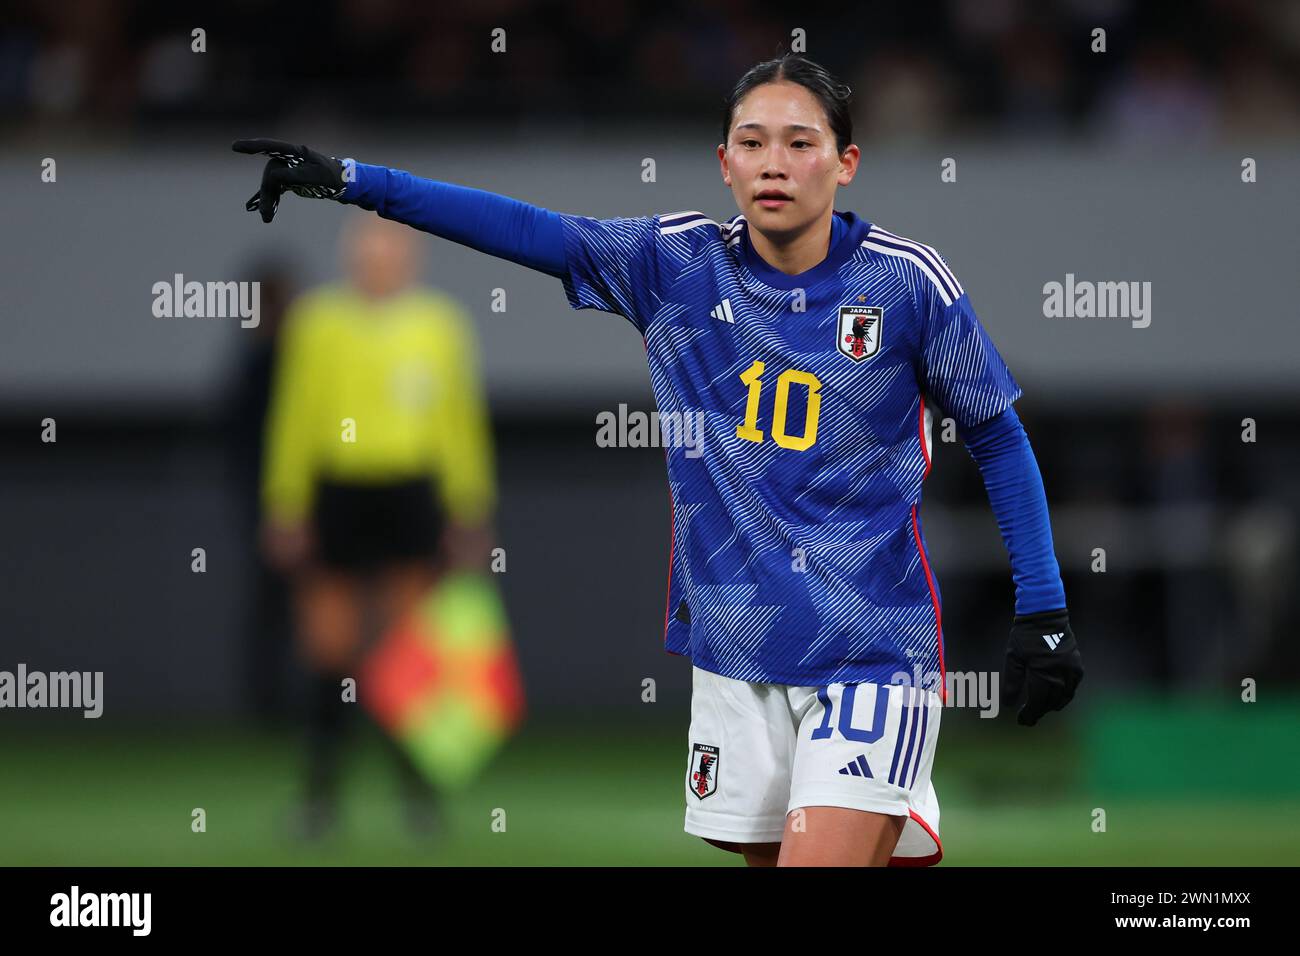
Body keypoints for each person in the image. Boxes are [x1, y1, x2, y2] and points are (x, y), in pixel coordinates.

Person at [233, 52, 1082, 867]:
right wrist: (352, 181)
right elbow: (525, 229)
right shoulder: (674, 264)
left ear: (845, 161)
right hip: (734, 651)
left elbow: (999, 436)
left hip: (870, 651)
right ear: (724, 163)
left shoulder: (908, 285)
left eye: (800, 142)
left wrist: (1042, 605)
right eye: (752, 142)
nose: (774, 163)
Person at [259, 214, 496, 839]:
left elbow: (458, 420)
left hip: (409, 494)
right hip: (338, 494)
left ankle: (418, 800)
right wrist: (286, 503)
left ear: (409, 257)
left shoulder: (439, 325)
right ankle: (319, 798)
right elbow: (295, 413)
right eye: (367, 249)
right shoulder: (317, 322)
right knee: (328, 649)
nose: (378, 260)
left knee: (408, 655)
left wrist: (468, 507)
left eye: (390, 249)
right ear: (350, 257)